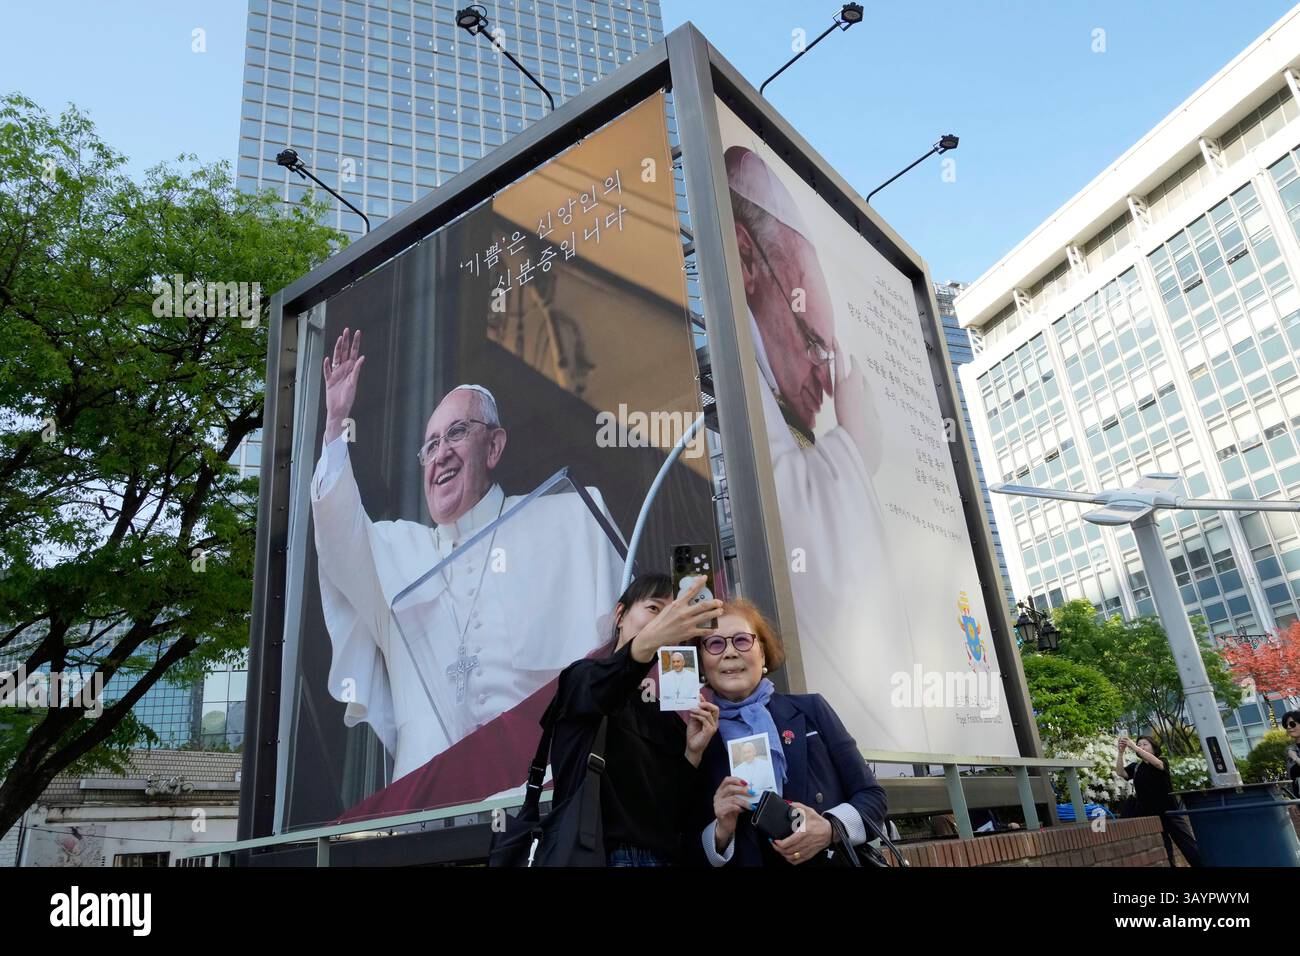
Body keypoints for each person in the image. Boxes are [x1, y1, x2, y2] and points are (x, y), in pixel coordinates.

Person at [311, 327, 623, 781]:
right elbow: (338, 536)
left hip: (542, 792)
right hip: (426, 806)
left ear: (493, 446)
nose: (440, 454)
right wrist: (336, 428)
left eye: (456, 433)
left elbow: (623, 651)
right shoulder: (398, 552)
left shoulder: (568, 518)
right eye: (431, 444)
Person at [724, 147, 918, 751]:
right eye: (813, 342)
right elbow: (796, 526)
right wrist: (854, 450)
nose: (826, 380)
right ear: (746, 259)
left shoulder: (778, 405)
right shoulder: (736, 387)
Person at [544, 574, 722, 866]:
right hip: (598, 855)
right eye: (654, 609)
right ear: (620, 614)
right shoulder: (583, 679)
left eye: (671, 615)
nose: (664, 622)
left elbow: (676, 815)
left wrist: (692, 753)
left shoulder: (668, 713)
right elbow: (611, 681)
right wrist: (651, 641)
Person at [694, 598, 888, 867]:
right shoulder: (697, 738)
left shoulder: (811, 710)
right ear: (702, 664)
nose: (729, 652)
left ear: (762, 653)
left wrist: (830, 828)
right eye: (715, 644)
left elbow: (873, 798)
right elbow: (682, 837)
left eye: (741, 640)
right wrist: (721, 831)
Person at [1116, 735, 1202, 867]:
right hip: (1151, 815)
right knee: (1164, 850)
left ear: (1154, 747)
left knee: (1189, 846)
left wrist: (1133, 746)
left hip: (1169, 812)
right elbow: (1121, 773)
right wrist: (1120, 752)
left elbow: (1157, 764)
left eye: (1145, 744)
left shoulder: (1162, 761)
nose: (1141, 746)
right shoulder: (1137, 767)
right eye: (1139, 744)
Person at [1283, 710, 1300, 798]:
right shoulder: (1290, 749)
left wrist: (1295, 758)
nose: (1289, 727)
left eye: (1292, 724)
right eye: (1286, 725)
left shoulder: (1292, 753)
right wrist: (1291, 801)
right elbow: (1290, 778)